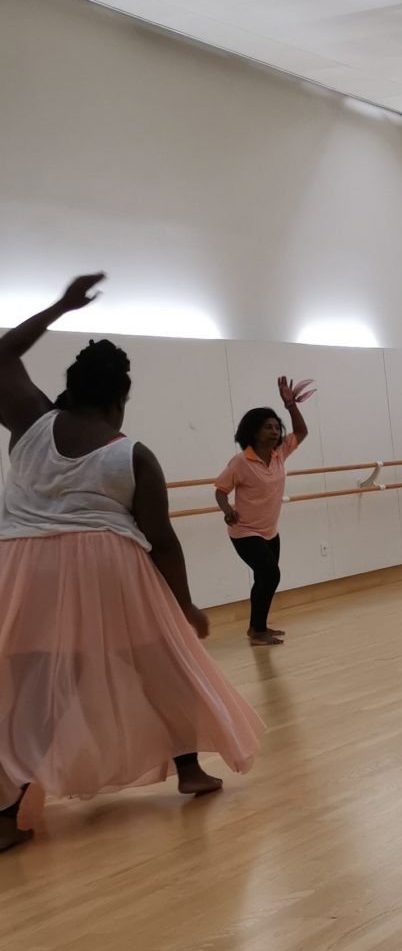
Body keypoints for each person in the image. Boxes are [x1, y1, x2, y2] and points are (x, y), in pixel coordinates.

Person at [0, 275, 262, 850]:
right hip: (106, 567)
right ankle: (189, 767)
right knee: (157, 662)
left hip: (21, 569)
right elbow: (161, 539)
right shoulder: (133, 453)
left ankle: (9, 810)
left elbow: (0, 354)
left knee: (32, 685)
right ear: (121, 397)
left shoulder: (30, 421)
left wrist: (60, 308)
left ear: (69, 391)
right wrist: (184, 605)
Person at [214, 380, 311, 643]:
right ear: (253, 432)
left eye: (276, 427)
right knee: (270, 574)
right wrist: (227, 510)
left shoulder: (280, 453)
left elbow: (302, 430)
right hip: (245, 532)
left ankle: (257, 628)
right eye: (267, 427)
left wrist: (290, 405)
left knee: (265, 578)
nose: (274, 431)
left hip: (270, 531)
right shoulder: (240, 462)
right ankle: (258, 630)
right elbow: (220, 490)